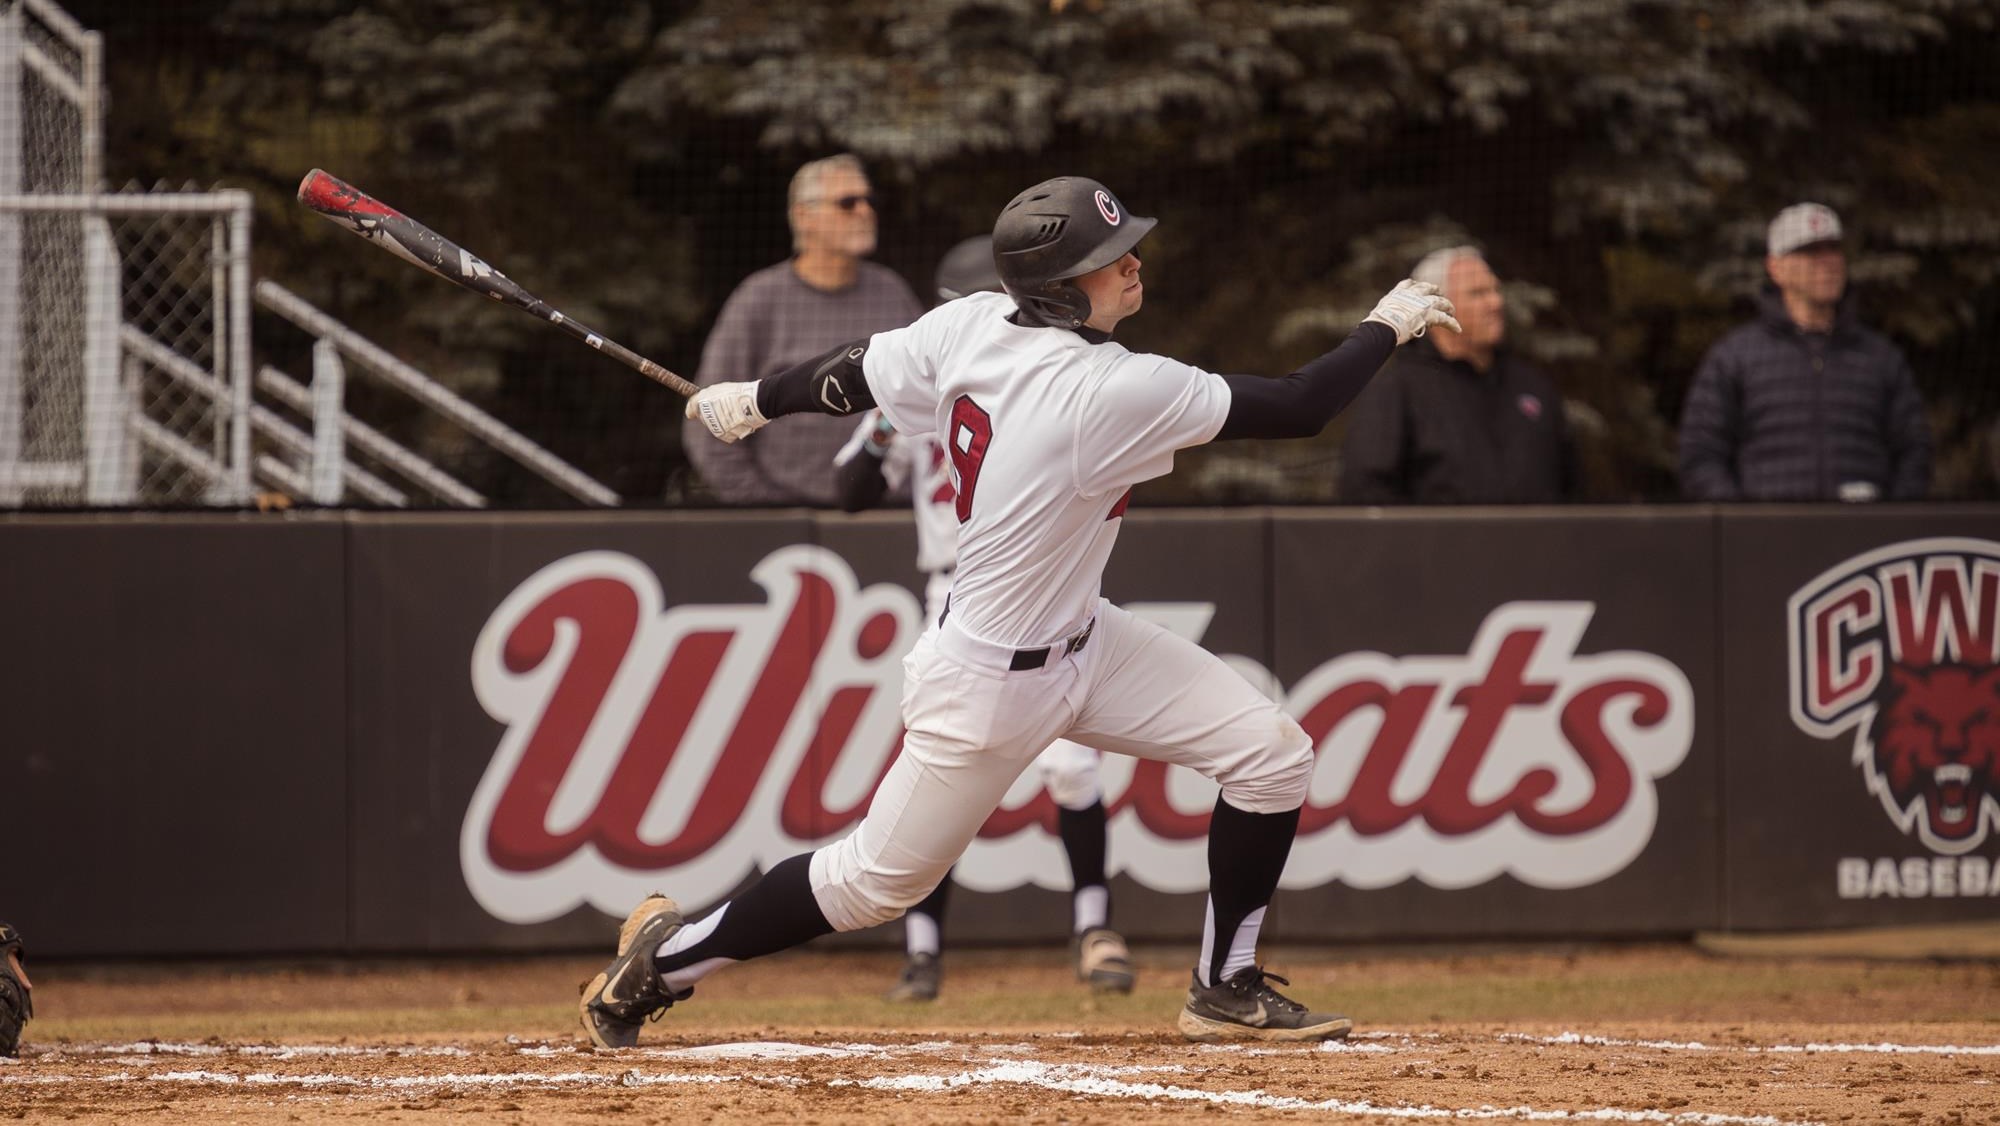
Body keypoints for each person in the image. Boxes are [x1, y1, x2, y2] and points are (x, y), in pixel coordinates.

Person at [583, 175, 1456, 1047]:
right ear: (1057, 288)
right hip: (990, 679)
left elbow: (855, 373)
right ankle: (666, 961)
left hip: (1088, 641)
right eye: (1109, 259)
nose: (1132, 265)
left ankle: (1225, 985)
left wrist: (757, 400)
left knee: (1269, 755)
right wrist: (1387, 324)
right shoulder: (1105, 388)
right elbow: (1302, 405)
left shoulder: (971, 324)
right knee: (870, 887)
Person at [833, 234, 1133, 1003]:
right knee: (944, 767)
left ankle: (1095, 928)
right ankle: (924, 947)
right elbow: (851, 493)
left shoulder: (1039, 379)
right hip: (956, 593)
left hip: (1039, 583)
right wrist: (881, 422)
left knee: (1072, 765)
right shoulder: (919, 385)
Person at [681, 153, 924, 505]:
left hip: (886, 516)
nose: (865, 211)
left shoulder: (892, 293)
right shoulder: (759, 300)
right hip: (788, 526)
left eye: (868, 200)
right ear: (803, 216)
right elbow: (707, 419)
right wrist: (769, 511)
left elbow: (928, 395)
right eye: (847, 202)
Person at [1679, 202, 1931, 501]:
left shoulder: (1880, 357)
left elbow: (1915, 450)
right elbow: (1700, 454)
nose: (1828, 262)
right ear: (1776, 267)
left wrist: (1893, 520)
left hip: (1866, 538)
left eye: (1833, 249)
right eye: (1810, 252)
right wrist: (1742, 523)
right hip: (1767, 538)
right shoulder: (1735, 357)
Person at [1339, 246, 1576, 504]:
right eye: (1478, 294)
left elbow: (1572, 486)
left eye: (1496, 290)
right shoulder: (1396, 391)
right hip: (1440, 544)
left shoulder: (1533, 387)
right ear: (1437, 307)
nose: (1496, 303)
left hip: (1537, 543)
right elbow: (1366, 492)